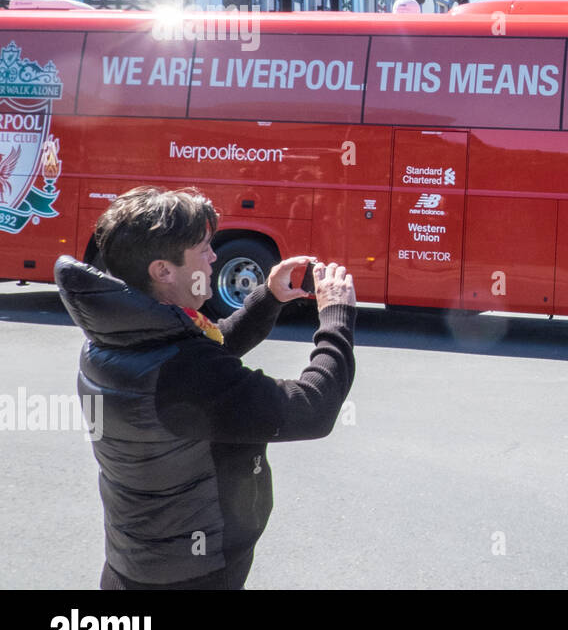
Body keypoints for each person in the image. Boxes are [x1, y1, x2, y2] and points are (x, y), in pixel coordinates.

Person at [54, 186, 356, 590]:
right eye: (203, 249)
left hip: (139, 560)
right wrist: (336, 316)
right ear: (163, 270)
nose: (215, 257)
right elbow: (313, 408)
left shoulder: (113, 337)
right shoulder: (183, 371)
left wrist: (267, 298)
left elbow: (204, 355)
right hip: (192, 574)